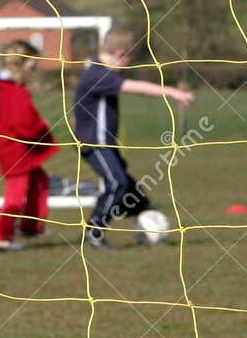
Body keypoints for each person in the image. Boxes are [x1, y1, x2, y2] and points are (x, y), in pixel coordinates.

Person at [73, 28, 194, 247]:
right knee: (116, 183)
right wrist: (173, 92)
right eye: (130, 59)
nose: (129, 66)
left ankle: (147, 216)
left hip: (103, 143)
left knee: (129, 189)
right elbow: (135, 87)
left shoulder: (95, 68)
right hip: (94, 143)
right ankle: (94, 233)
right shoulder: (98, 74)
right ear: (120, 53)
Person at [0, 40, 60, 251]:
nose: (33, 74)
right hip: (16, 151)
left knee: (39, 181)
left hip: (8, 149)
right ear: (19, 67)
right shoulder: (16, 93)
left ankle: (31, 226)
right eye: (32, 69)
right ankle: (0, 236)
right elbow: (25, 124)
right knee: (15, 194)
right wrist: (41, 126)